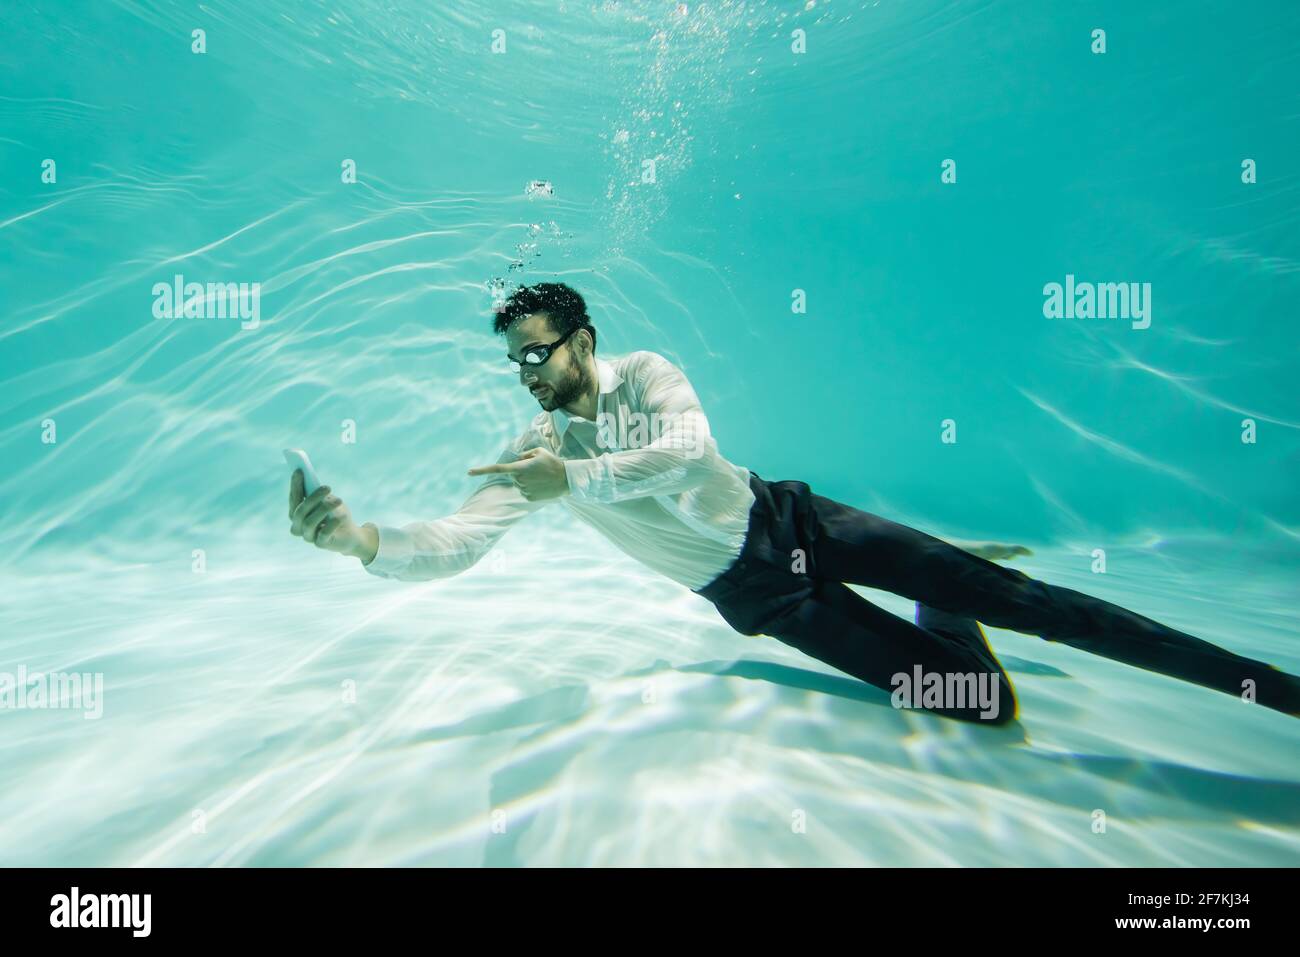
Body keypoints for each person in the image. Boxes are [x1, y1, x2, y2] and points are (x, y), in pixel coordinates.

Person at [288, 282, 1300, 724]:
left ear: (583, 342)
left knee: (1038, 609)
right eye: (514, 364)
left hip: (800, 524)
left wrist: (584, 478)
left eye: (537, 353)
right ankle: (945, 594)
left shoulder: (641, 376)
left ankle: (1273, 689)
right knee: (979, 704)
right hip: (768, 600)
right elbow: (459, 546)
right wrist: (359, 540)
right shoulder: (533, 454)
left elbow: (691, 452)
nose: (526, 375)